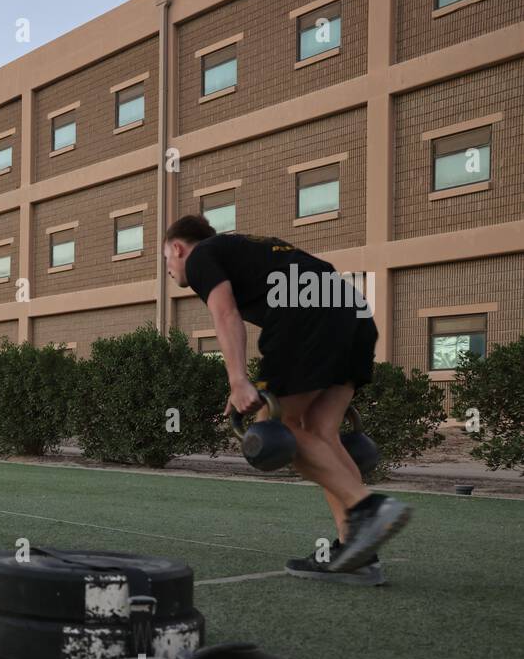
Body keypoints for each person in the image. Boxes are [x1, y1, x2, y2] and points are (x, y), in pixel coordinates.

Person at [162, 215, 411, 582]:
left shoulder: (201, 257)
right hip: (352, 314)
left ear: (177, 248)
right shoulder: (248, 248)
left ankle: (367, 508)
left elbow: (225, 313)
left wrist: (238, 381)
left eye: (167, 259)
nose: (169, 268)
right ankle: (356, 553)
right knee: (321, 433)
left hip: (307, 316)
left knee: (277, 432)